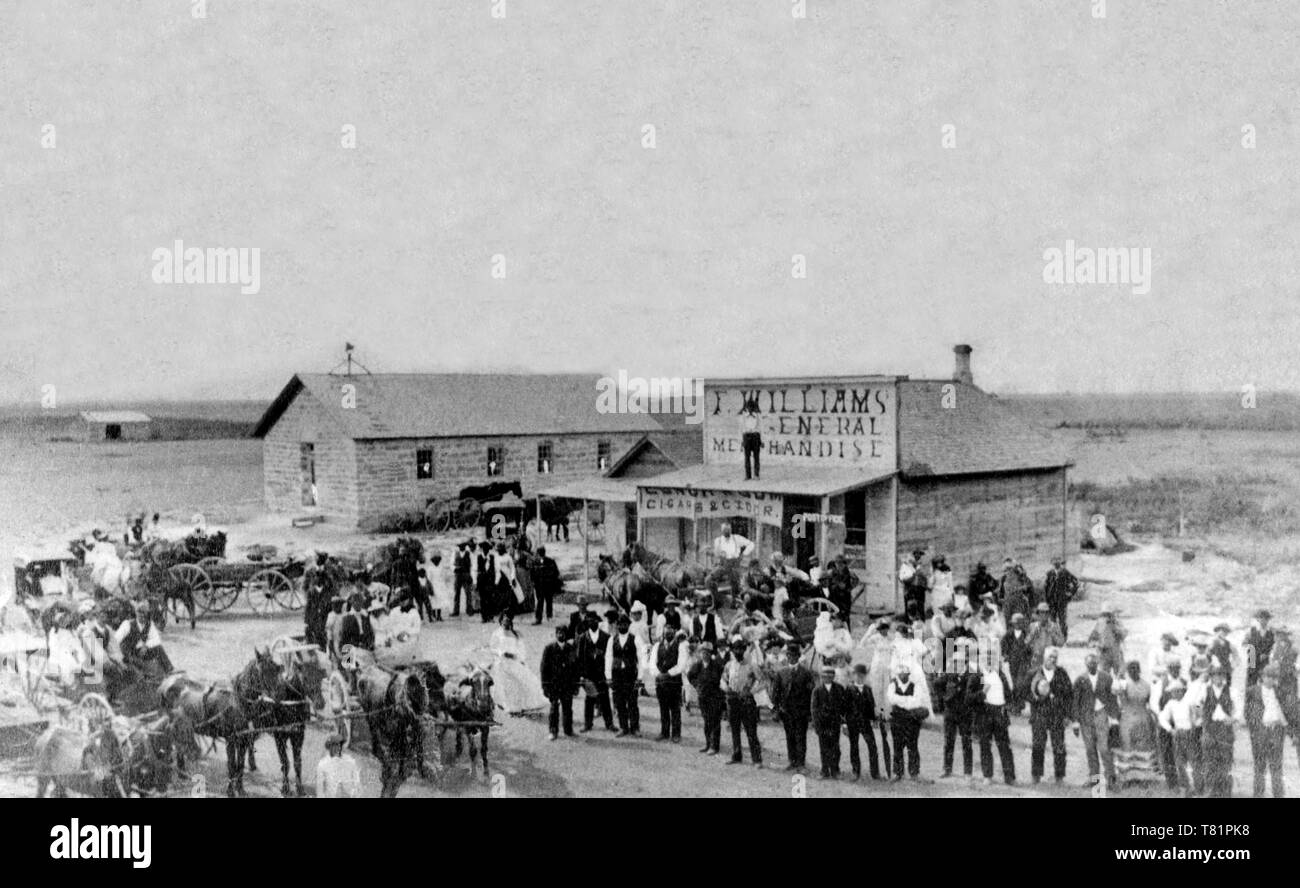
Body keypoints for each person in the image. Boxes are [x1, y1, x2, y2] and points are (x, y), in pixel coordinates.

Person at [1073, 650, 1120, 789]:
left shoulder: (1106, 677)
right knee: (1090, 749)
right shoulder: (1080, 679)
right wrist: (1075, 722)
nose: (1091, 666)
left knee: (1105, 749)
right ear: (1085, 665)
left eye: (1094, 663)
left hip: (1101, 714)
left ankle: (1111, 780)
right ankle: (1095, 780)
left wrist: (1114, 717)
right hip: (1086, 717)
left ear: (1097, 663)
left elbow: (1112, 698)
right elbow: (1075, 701)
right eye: (1089, 664)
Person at [1028, 646, 1072, 785]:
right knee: (1038, 745)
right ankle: (1036, 775)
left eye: (1055, 657)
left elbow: (1069, 695)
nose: (1052, 660)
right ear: (1044, 658)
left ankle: (1059, 776)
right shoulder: (1034, 672)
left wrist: (1067, 715)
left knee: (1059, 746)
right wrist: (1036, 696)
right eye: (1050, 657)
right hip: (1039, 715)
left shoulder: (1062, 673)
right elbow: (1022, 692)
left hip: (1057, 716)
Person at [1113, 660, 1160, 786]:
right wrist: (1118, 676)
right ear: (1128, 671)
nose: (1134, 671)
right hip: (1127, 718)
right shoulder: (1123, 684)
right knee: (1127, 747)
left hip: (1143, 717)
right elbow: (1114, 691)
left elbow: (1151, 702)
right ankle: (1126, 778)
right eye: (1131, 669)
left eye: (1136, 669)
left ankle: (1143, 778)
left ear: (1140, 670)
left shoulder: (1146, 685)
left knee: (1142, 748)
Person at [936, 639, 977, 780]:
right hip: (950, 712)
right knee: (948, 741)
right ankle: (947, 769)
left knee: (966, 742)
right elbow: (937, 685)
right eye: (955, 662)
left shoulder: (972, 675)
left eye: (959, 662)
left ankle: (968, 772)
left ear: (965, 662)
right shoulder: (949, 674)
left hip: (965, 713)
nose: (957, 665)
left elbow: (978, 690)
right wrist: (943, 698)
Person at [1245, 663, 1288, 797]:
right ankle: (1258, 794)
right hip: (1260, 734)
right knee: (1259, 768)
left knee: (1276, 768)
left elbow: (1286, 711)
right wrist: (1255, 729)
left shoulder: (1279, 691)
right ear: (1262, 677)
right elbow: (1246, 712)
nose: (1270, 679)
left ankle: (1278, 795)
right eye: (1267, 676)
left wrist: (1281, 728)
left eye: (1272, 677)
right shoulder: (1253, 691)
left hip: (1275, 733)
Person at [973, 651, 1016, 785]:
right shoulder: (979, 676)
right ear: (982, 662)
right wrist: (982, 693)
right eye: (987, 660)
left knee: (1004, 746)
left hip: (1000, 713)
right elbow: (971, 697)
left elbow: (1009, 693)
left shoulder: (1001, 675)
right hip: (985, 713)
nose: (989, 663)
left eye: (992, 660)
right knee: (985, 745)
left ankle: (1009, 777)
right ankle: (987, 776)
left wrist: (1007, 707)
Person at [490, 615, 547, 715]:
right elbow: (493, 648)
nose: (506, 623)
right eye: (504, 621)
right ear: (501, 621)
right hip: (502, 661)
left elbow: (521, 649)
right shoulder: (497, 633)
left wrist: (517, 657)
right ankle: (510, 706)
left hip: (513, 660)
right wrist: (501, 652)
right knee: (507, 682)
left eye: (508, 620)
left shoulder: (516, 634)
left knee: (523, 679)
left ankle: (521, 704)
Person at [770, 641, 814, 772]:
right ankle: (792, 761)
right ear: (786, 656)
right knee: (790, 736)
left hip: (801, 711)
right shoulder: (781, 673)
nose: (791, 657)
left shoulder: (806, 673)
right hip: (786, 711)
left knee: (801, 737)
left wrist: (810, 712)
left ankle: (801, 763)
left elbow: (810, 693)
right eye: (789, 655)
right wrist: (776, 709)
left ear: (798, 656)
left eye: (794, 655)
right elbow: (775, 693)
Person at [722, 639, 763, 767]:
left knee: (751, 731)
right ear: (733, 651)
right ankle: (736, 755)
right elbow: (722, 680)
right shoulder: (729, 665)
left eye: (740, 649)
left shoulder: (752, 665)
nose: (738, 651)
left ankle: (756, 760)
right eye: (735, 649)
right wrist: (725, 687)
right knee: (734, 729)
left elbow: (763, 682)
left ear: (744, 650)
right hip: (733, 700)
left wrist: (751, 691)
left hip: (747, 701)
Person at [605, 614, 644, 737]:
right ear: (617, 626)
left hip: (630, 674)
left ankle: (635, 727)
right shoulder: (612, 639)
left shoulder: (636, 639)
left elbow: (641, 659)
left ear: (628, 625)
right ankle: (623, 727)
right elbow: (608, 657)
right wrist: (608, 677)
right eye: (620, 624)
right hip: (617, 674)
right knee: (619, 702)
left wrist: (639, 678)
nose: (622, 626)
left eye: (625, 624)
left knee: (632, 702)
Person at [887, 663, 927, 781]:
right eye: (900, 674)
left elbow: (917, 701)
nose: (902, 676)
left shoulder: (915, 685)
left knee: (912, 746)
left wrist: (900, 701)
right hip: (897, 720)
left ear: (908, 674)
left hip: (912, 721)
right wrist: (908, 701)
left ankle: (914, 773)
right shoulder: (893, 684)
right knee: (897, 746)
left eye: (905, 673)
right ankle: (898, 773)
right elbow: (891, 698)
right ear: (897, 674)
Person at [1201, 665, 1235, 798]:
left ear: (1224, 677)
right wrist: (1199, 711)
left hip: (1225, 729)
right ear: (1211, 677)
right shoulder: (1205, 690)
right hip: (1210, 728)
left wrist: (1233, 719)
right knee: (1210, 763)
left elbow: (1237, 710)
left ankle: (1224, 793)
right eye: (1215, 675)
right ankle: (1210, 792)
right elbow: (1197, 703)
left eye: (1221, 675)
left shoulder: (1231, 691)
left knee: (1225, 762)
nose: (1218, 678)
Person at [576, 613, 614, 732]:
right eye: (590, 621)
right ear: (587, 623)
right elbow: (579, 657)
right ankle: (588, 724)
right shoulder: (583, 638)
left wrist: (609, 674)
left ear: (598, 622)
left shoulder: (606, 637)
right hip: (588, 673)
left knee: (604, 698)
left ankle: (609, 724)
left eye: (595, 621)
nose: (592, 623)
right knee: (589, 699)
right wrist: (581, 675)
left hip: (602, 673)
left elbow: (610, 657)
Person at [1157, 679, 1194, 795]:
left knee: (1193, 761)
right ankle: (1186, 787)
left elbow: (1199, 709)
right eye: (1174, 691)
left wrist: (1196, 720)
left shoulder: (1189, 701)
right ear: (1171, 693)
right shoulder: (1171, 704)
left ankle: (1195, 786)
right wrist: (1170, 729)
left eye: (1179, 691)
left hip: (1190, 733)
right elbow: (1162, 718)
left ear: (1183, 691)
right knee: (1179, 762)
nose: (1177, 693)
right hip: (1178, 734)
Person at [115, 601, 174, 674]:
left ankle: (169, 670)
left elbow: (156, 639)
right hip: (128, 653)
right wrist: (118, 656)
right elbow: (116, 640)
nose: (142, 615)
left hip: (140, 652)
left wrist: (146, 646)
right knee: (140, 669)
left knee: (158, 648)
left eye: (144, 613)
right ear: (136, 613)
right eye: (140, 612)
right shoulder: (127, 624)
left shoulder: (149, 625)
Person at [844, 663, 881, 780]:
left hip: (865, 723)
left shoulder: (868, 689)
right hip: (852, 723)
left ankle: (875, 773)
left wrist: (874, 720)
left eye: (862, 675)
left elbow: (871, 706)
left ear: (865, 676)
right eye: (857, 675)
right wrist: (844, 724)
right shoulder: (849, 689)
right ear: (853, 676)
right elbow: (844, 708)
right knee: (854, 747)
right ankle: (856, 772)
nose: (859, 678)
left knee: (872, 746)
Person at [540, 626, 578, 740]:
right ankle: (553, 731)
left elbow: (576, 669)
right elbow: (544, 669)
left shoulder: (571, 648)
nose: (560, 635)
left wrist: (575, 686)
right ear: (556, 634)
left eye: (562, 633)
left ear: (566, 635)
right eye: (558, 633)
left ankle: (568, 729)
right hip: (554, 685)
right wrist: (545, 686)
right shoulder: (549, 649)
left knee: (567, 708)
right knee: (554, 708)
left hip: (567, 685)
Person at [688, 641, 726, 755]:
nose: (705, 655)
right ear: (700, 653)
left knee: (715, 721)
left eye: (707, 652)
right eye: (703, 652)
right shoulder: (698, 665)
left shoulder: (717, 665)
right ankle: (707, 743)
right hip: (703, 697)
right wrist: (697, 685)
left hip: (715, 697)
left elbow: (722, 680)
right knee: (706, 721)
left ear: (711, 653)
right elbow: (690, 676)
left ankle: (715, 746)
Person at [652, 627, 689, 743]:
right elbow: (652, 662)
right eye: (666, 632)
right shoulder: (657, 646)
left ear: (674, 632)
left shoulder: (680, 646)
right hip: (660, 682)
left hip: (674, 681)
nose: (668, 634)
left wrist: (668, 674)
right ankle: (664, 732)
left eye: (671, 631)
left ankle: (676, 734)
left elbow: (681, 665)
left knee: (675, 708)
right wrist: (658, 674)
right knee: (663, 708)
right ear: (663, 633)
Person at [811, 664, 846, 779]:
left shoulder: (839, 689)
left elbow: (843, 707)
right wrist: (816, 725)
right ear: (821, 676)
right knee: (824, 748)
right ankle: (824, 770)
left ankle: (835, 770)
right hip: (822, 724)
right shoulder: (817, 690)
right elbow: (814, 709)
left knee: (835, 747)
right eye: (825, 676)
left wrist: (843, 722)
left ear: (833, 677)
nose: (827, 678)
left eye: (830, 676)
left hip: (834, 723)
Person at [707, 523, 753, 607]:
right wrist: (711, 553)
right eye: (724, 530)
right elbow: (717, 554)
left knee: (735, 582)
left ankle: (734, 601)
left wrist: (743, 555)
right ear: (721, 530)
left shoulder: (737, 538)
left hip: (733, 565)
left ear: (731, 530)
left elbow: (751, 544)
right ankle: (716, 602)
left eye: (728, 530)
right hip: (722, 566)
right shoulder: (718, 540)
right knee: (708, 580)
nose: (726, 532)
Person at [1001, 613, 1033, 715]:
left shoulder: (1026, 634)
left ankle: (1019, 704)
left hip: (1023, 663)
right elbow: (1003, 645)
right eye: (1015, 623)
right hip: (1013, 662)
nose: (1017, 625)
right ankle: (1017, 705)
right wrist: (1005, 654)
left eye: (1018, 623)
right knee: (1014, 683)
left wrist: (1029, 658)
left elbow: (1031, 648)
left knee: (1020, 683)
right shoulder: (1009, 634)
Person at [315, 732, 361, 797]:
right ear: (329, 747)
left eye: (340, 745)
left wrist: (354, 794)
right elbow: (320, 789)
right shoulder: (323, 764)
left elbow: (357, 782)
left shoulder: (350, 761)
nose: (338, 748)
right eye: (335, 745)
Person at [1043, 557, 1078, 640]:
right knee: (1052, 621)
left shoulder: (1065, 572)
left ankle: (1064, 638)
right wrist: (1047, 599)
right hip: (1052, 601)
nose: (1056, 563)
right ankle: (1053, 639)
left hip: (1062, 601)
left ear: (1060, 562)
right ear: (1052, 563)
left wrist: (1070, 593)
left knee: (1062, 621)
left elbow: (1076, 582)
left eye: (1057, 561)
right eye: (1054, 561)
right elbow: (1046, 587)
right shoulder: (1049, 573)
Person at [1026, 603, 1064, 672]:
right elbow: (1026, 643)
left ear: (1049, 614)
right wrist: (1033, 634)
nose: (1044, 615)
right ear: (1038, 614)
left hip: (1049, 659)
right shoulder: (1032, 626)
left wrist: (1052, 633)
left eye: (1046, 613)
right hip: (1036, 659)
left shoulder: (1054, 626)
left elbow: (1061, 643)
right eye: (1042, 612)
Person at [1088, 609, 1126, 675]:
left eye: (1108, 617)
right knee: (1104, 676)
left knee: (1120, 674)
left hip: (1115, 653)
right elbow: (1091, 641)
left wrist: (1117, 630)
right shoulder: (1099, 626)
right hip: (1103, 654)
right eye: (1105, 616)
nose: (1107, 620)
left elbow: (1123, 634)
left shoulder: (1115, 624)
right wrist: (1097, 644)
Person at [1244, 609, 1275, 686]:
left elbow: (1273, 647)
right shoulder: (1251, 631)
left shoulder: (1271, 632)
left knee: (1264, 683)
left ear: (1268, 620)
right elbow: (1244, 644)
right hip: (1252, 660)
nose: (1263, 620)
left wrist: (1267, 654)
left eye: (1266, 619)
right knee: (1251, 683)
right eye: (1261, 618)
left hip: (1265, 661)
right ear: (1258, 619)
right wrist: (1254, 654)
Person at [532, 545, 560, 625]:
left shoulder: (550, 561)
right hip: (539, 586)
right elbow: (532, 574)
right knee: (540, 602)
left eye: (541, 552)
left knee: (548, 601)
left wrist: (551, 581)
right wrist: (534, 583)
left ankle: (549, 616)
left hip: (548, 585)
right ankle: (539, 618)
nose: (540, 553)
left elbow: (556, 573)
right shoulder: (535, 562)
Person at [824, 557, 857, 627]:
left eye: (841, 563)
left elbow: (856, 580)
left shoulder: (849, 572)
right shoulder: (831, 572)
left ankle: (846, 633)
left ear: (844, 564)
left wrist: (849, 588)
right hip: (834, 597)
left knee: (845, 617)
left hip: (845, 599)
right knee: (832, 615)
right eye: (837, 563)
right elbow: (824, 579)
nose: (839, 565)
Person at [1000, 558, 1033, 626]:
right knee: (1009, 622)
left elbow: (1029, 585)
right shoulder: (1003, 578)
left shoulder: (1020, 576)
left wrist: (1023, 588)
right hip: (1008, 603)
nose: (1008, 571)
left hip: (1019, 602)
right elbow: (1001, 593)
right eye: (1006, 569)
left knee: (1020, 620)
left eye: (1010, 568)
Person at [898, 549, 928, 619]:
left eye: (919, 554)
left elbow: (927, 577)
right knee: (909, 607)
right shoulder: (905, 565)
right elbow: (901, 577)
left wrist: (923, 577)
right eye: (916, 554)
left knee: (920, 607)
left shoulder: (922, 566)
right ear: (913, 555)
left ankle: (921, 624)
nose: (917, 556)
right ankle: (908, 623)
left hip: (920, 589)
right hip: (909, 588)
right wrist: (912, 575)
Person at [740, 399, 762, 480]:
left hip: (755, 436)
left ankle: (756, 475)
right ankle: (748, 475)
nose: (749, 409)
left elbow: (760, 428)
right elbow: (741, 428)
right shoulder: (743, 416)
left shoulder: (757, 416)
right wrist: (742, 440)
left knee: (756, 457)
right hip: (747, 436)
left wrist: (761, 440)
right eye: (748, 407)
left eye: (751, 407)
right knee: (747, 457)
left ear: (753, 408)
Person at [452, 539, 475, 617]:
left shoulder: (469, 554)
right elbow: (451, 564)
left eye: (463, 546)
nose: (462, 547)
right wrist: (455, 568)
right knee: (456, 593)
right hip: (458, 575)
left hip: (466, 575)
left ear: (465, 546)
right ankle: (456, 611)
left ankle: (469, 610)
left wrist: (471, 575)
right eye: (460, 546)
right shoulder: (455, 553)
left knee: (468, 593)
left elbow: (472, 565)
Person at [476, 542, 496, 623]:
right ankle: (484, 617)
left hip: (490, 580)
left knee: (490, 598)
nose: (485, 551)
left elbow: (496, 569)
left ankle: (491, 617)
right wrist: (476, 581)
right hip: (481, 580)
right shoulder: (479, 557)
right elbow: (475, 569)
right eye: (484, 549)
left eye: (487, 549)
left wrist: (495, 581)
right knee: (483, 599)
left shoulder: (492, 557)